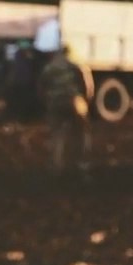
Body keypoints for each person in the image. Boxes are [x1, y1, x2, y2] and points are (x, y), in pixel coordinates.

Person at [37, 43, 93, 176]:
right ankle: (81, 164)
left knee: (57, 135)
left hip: (55, 102)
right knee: (81, 134)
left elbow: (40, 87)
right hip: (74, 101)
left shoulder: (50, 68)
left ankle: (56, 166)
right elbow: (87, 85)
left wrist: (47, 101)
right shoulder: (77, 64)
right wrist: (85, 101)